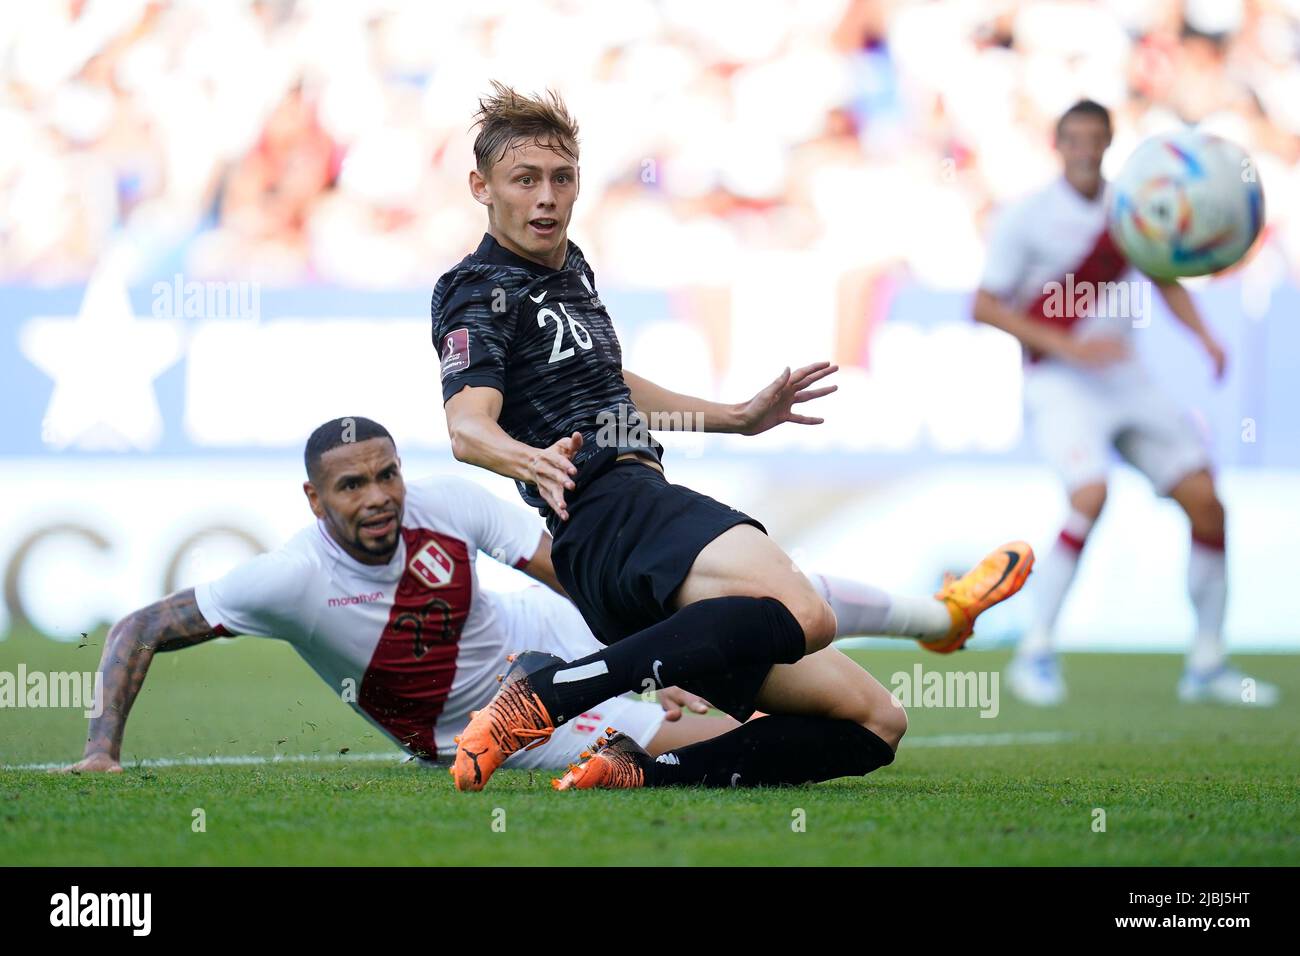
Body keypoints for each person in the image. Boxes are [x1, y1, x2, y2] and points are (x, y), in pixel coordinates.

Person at [432, 82, 1033, 791]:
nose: (547, 198)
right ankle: (550, 693)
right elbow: (468, 428)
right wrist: (527, 459)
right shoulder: (476, 288)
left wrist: (735, 417)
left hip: (628, 545)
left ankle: (639, 773)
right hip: (610, 511)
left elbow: (613, 388)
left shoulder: (570, 266)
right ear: (482, 186)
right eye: (524, 180)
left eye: (562, 179)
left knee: (874, 722)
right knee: (802, 610)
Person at [57, 417, 1029, 775]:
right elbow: (143, 623)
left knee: (877, 714)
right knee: (796, 734)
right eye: (352, 485)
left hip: (596, 653)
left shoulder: (446, 503)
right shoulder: (286, 577)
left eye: (385, 473)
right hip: (523, 729)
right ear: (313, 500)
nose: (379, 496)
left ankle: (935, 618)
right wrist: (101, 747)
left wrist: (669, 654)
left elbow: (568, 574)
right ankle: (634, 758)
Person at [973, 99, 1277, 708]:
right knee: (1091, 494)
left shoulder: (1130, 207)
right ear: (1058, 145)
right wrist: (1064, 342)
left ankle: (1208, 663)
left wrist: (1205, 337)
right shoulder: (1026, 216)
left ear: (1109, 144)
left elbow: (1162, 274)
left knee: (1209, 505)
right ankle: (1034, 650)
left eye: (1096, 138)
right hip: (1060, 381)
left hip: (1127, 378)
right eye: (1075, 138)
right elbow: (985, 305)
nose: (1085, 148)